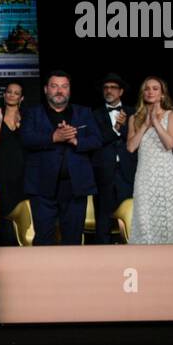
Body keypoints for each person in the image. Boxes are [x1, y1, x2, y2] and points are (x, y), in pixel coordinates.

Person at [19, 71, 102, 246]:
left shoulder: (84, 113)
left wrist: (75, 140)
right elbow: (26, 139)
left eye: (64, 86)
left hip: (75, 187)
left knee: (72, 239)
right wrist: (53, 137)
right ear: (45, 89)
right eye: (54, 86)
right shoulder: (32, 113)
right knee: (43, 239)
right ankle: (42, 274)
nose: (59, 91)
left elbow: (97, 140)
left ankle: (72, 273)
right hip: (42, 187)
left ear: (69, 90)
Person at [127, 76, 173, 244]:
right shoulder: (134, 118)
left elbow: (169, 144)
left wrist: (156, 122)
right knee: (144, 223)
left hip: (167, 176)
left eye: (155, 88)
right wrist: (145, 124)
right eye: (147, 88)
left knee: (169, 223)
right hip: (145, 177)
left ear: (162, 94)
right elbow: (131, 147)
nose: (150, 91)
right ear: (142, 93)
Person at [92, 72, 136, 244]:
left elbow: (136, 140)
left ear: (121, 92)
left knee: (130, 216)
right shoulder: (94, 114)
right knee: (103, 217)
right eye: (106, 88)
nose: (109, 91)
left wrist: (124, 128)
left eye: (113, 88)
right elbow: (96, 140)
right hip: (104, 173)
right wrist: (117, 127)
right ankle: (103, 260)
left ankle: (134, 256)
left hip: (128, 173)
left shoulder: (133, 113)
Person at [0, 80, 26, 244]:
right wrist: (1, 121)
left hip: (25, 169)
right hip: (5, 170)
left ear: (21, 98)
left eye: (16, 93)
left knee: (24, 207)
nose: (12, 95)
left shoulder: (27, 116)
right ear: (4, 95)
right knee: (7, 209)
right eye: (9, 92)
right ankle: (8, 246)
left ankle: (25, 242)